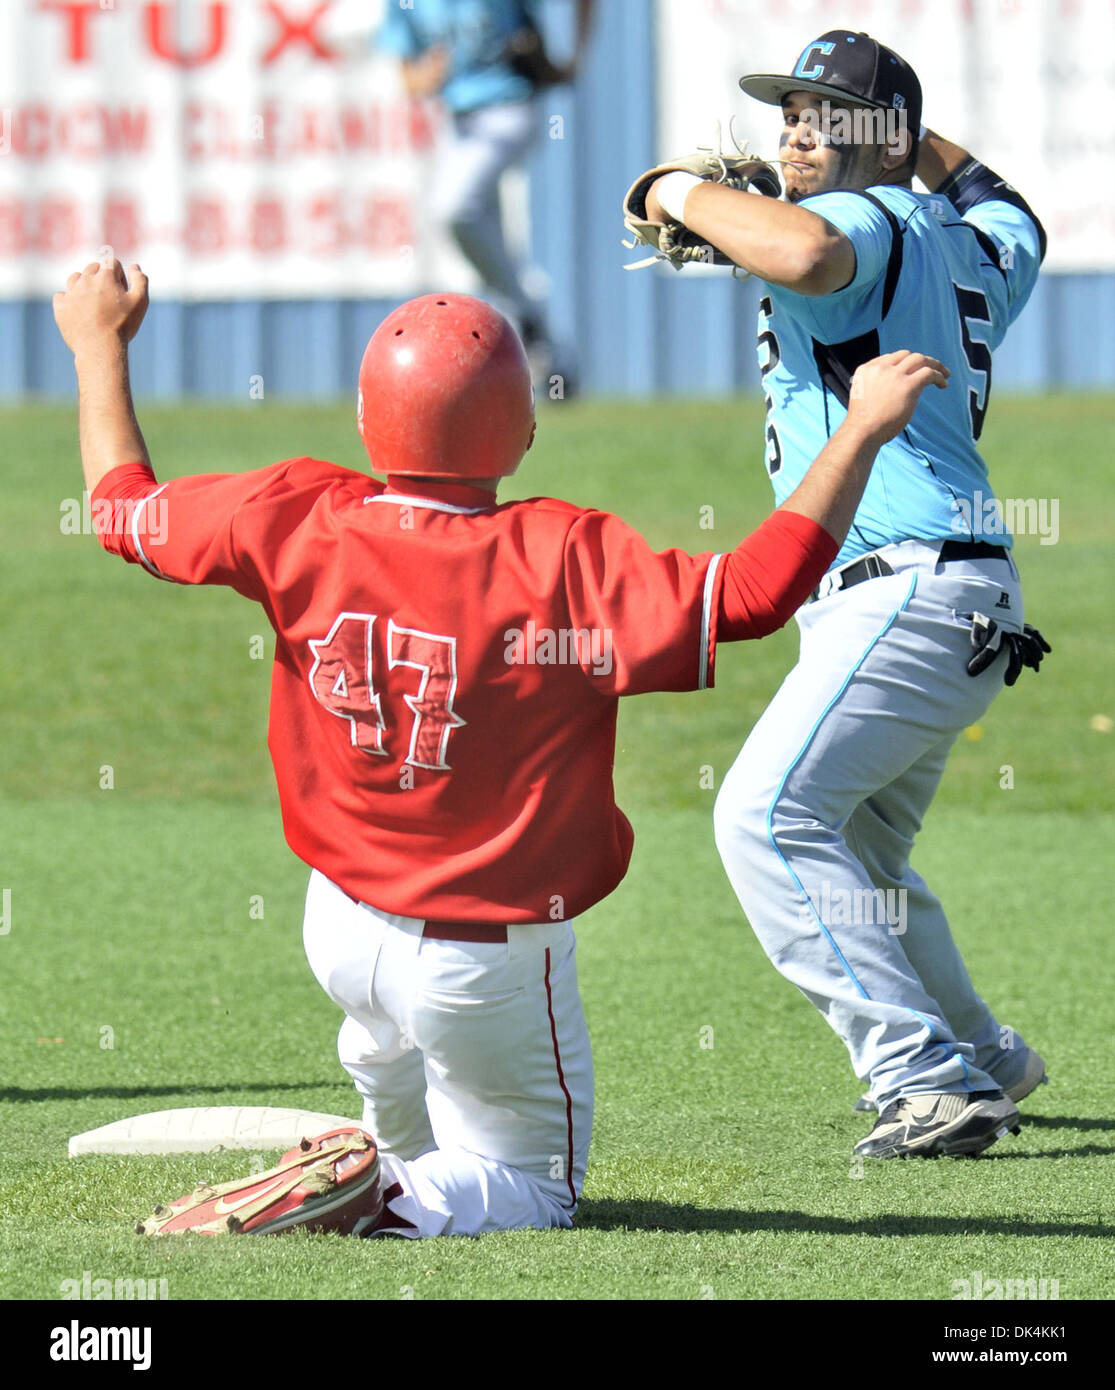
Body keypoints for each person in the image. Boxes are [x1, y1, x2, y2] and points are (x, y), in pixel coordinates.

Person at [52, 258, 946, 1234]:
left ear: (365, 418)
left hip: (339, 922)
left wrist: (99, 346)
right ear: (521, 429)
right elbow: (750, 594)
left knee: (398, 1098)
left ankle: (374, 1169)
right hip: (481, 955)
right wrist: (859, 428)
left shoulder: (291, 513)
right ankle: (374, 1194)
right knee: (532, 1189)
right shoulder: (561, 557)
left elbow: (118, 508)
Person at [638, 29, 1050, 1160]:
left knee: (764, 816)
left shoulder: (866, 220)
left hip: (904, 595)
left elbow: (811, 256)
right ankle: (984, 1054)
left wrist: (667, 187)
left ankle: (922, 1077)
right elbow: (1010, 206)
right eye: (791, 111)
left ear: (887, 141)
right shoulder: (978, 243)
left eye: (829, 112)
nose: (798, 131)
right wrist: (919, 149)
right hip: (959, 600)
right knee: (860, 859)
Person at [379, 0, 595, 382]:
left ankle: (526, 312)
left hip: (510, 109)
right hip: (460, 125)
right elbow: (408, 79)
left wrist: (576, 54)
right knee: (480, 233)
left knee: (453, 208)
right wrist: (426, 77)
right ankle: (546, 352)